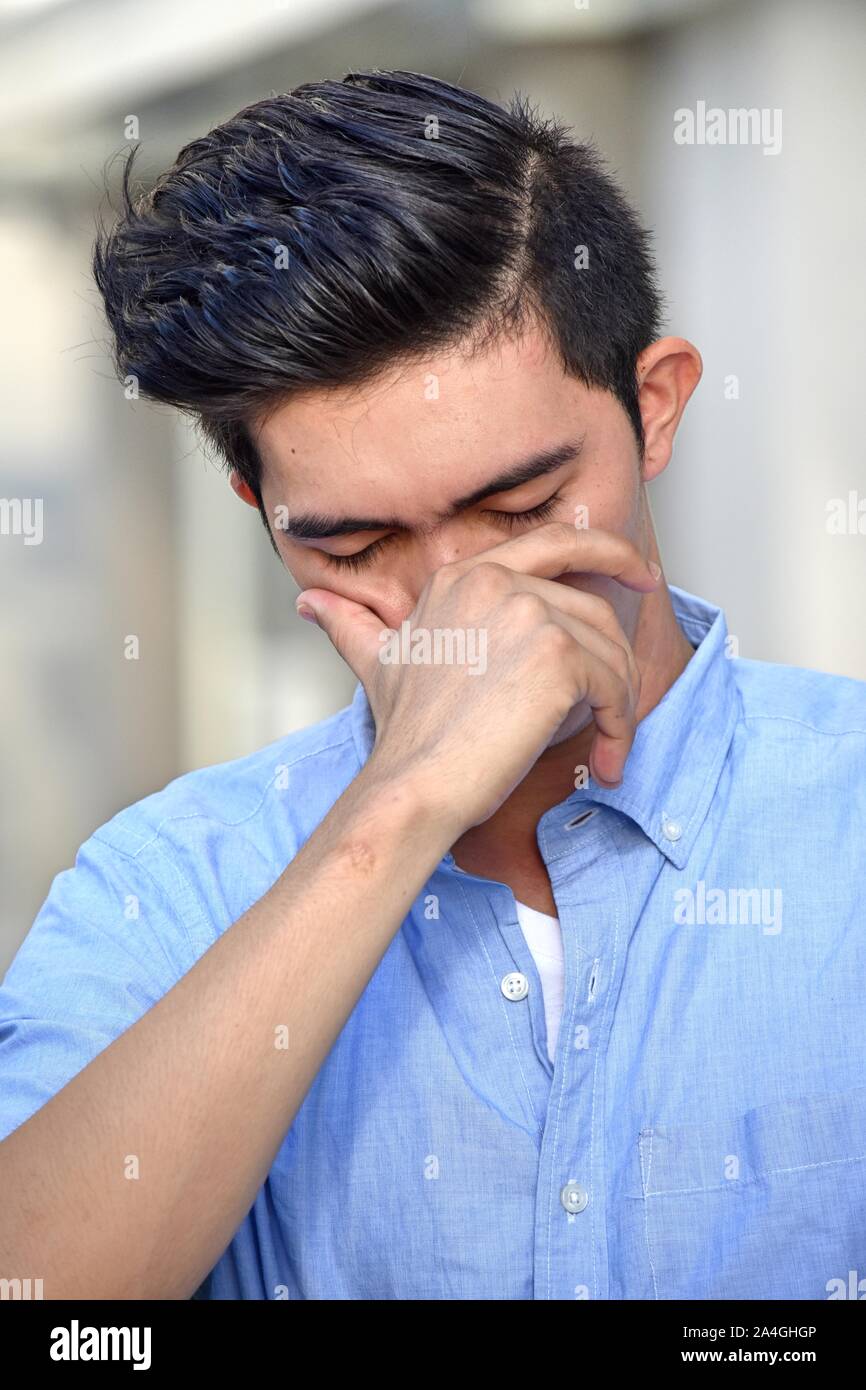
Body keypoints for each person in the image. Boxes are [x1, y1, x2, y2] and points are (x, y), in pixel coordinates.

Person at [1, 69, 864, 1301]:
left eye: (518, 507)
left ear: (654, 407)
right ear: (262, 512)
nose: (465, 607)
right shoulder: (166, 889)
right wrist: (395, 811)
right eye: (354, 547)